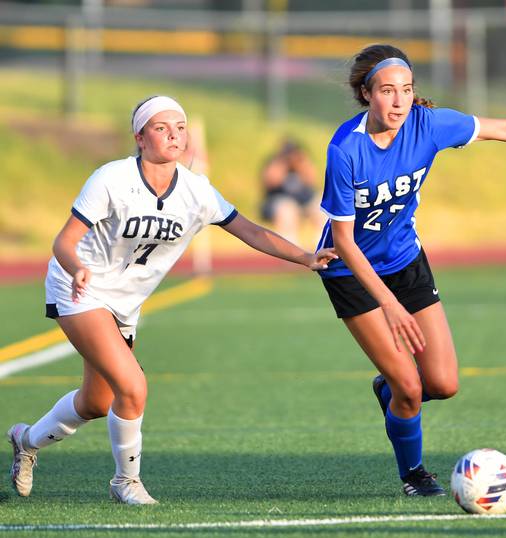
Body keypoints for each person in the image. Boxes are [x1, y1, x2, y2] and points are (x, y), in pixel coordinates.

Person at [316, 43, 506, 496]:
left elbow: (504, 127)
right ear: (366, 94)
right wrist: (390, 307)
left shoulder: (428, 125)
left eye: (406, 89)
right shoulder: (345, 149)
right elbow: (343, 240)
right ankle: (414, 474)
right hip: (350, 272)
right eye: (387, 91)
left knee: (441, 383)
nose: (399, 100)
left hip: (404, 262)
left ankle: (391, 391)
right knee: (410, 386)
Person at [7, 95, 338, 504]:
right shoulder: (111, 178)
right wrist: (76, 266)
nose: (174, 135)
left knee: (96, 402)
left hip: (125, 304)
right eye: (162, 128)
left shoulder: (197, 191)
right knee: (133, 387)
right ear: (140, 137)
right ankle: (125, 482)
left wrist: (305, 256)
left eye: (179, 127)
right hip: (79, 288)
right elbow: (64, 242)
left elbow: (251, 231)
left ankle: (26, 441)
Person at [259, 138, 326, 244]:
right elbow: (271, 180)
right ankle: (290, 250)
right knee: (287, 210)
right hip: (280, 202)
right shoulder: (276, 163)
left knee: (323, 206)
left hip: (304, 201)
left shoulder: (302, 163)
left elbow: (312, 180)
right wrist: (282, 163)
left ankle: (322, 244)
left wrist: (300, 163)